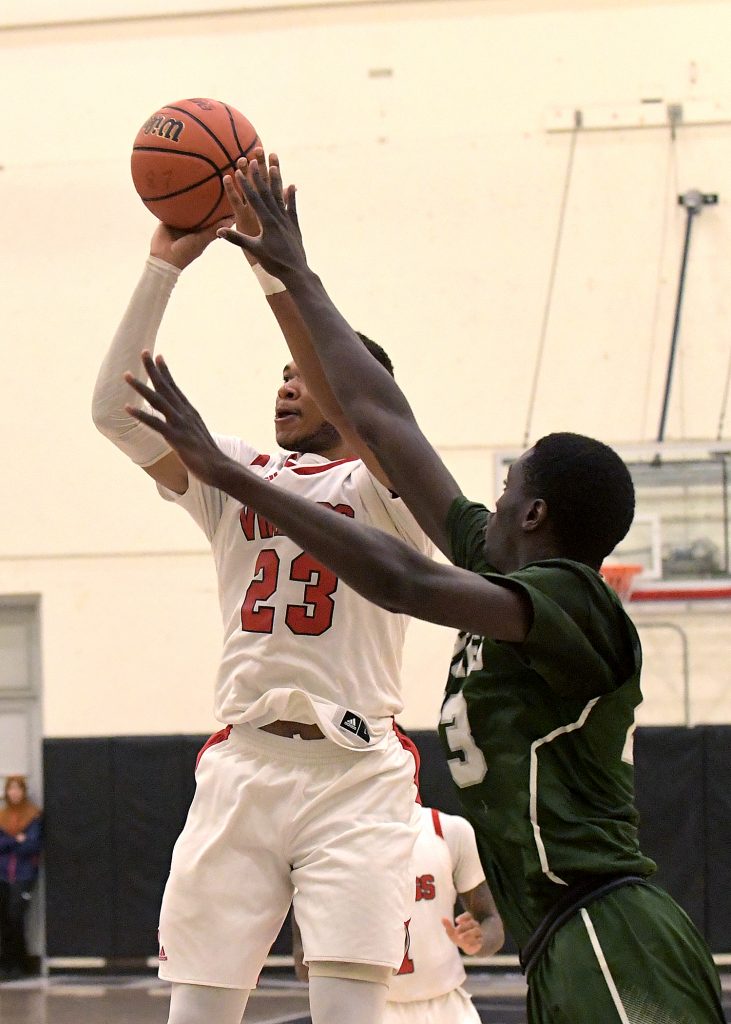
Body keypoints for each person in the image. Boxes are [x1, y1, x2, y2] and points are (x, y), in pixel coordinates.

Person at [121, 154, 727, 1024]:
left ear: (536, 512)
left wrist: (234, 476)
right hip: (557, 935)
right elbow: (379, 420)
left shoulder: (575, 603)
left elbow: (402, 579)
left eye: (508, 485)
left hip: (609, 924)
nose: (491, 495)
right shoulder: (498, 563)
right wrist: (289, 272)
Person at [92, 159, 430, 1024]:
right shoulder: (231, 469)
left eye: (303, 372)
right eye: (280, 371)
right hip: (244, 764)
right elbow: (113, 412)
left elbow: (364, 414)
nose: (286, 382)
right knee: (197, 1014)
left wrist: (274, 266)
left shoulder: (390, 494)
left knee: (350, 1013)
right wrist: (163, 266)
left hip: (354, 775)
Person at [292, 803, 504, 1024]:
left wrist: (477, 941)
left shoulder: (448, 829)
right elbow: (302, 962)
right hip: (372, 1009)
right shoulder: (333, 840)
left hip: (448, 1007)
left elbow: (492, 923)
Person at [0, 776, 42, 981]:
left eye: (18, 789)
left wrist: (12, 843)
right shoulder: (2, 816)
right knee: (3, 919)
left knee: (16, 917)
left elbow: (32, 846)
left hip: (23, 875)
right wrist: (15, 840)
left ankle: (20, 962)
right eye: (11, 789)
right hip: (3, 874)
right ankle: (6, 964)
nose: (14, 793)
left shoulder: (33, 816)